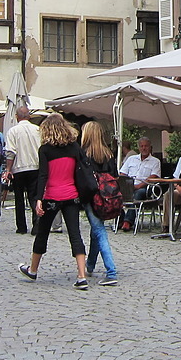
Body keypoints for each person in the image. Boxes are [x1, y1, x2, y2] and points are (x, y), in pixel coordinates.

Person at [19, 113, 89, 288]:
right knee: (75, 235)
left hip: (52, 196)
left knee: (42, 233)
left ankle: (33, 269)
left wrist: (38, 199)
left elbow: (43, 175)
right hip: (71, 195)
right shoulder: (74, 147)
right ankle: (81, 275)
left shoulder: (45, 150)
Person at [78, 121, 118, 286]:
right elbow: (115, 175)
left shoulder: (84, 155)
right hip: (107, 197)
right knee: (96, 230)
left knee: (99, 231)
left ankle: (111, 271)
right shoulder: (108, 154)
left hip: (92, 197)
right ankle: (90, 264)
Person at [3, 106, 41, 235]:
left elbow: (10, 152)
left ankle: (21, 226)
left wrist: (8, 169)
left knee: (19, 198)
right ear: (29, 116)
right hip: (35, 167)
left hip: (19, 168)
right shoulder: (38, 130)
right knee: (34, 197)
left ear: (16, 116)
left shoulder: (13, 131)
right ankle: (36, 224)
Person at [118, 137, 161, 231]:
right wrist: (127, 185)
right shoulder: (131, 159)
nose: (144, 148)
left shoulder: (155, 161)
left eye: (146, 146)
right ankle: (120, 219)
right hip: (129, 186)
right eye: (141, 146)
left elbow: (153, 177)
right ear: (138, 147)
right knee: (115, 193)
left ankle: (128, 221)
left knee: (139, 193)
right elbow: (122, 174)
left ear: (150, 147)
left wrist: (138, 186)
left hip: (145, 188)